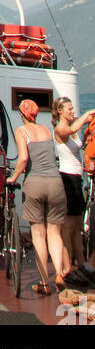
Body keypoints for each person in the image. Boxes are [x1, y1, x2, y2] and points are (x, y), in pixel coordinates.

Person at [8, 98, 67, 294]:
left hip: (35, 183)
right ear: (35, 114)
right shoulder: (46, 130)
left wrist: (13, 177)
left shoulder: (20, 131)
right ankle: (58, 273)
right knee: (55, 234)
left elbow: (24, 158)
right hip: (56, 183)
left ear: (22, 114)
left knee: (39, 235)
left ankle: (44, 282)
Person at [53, 97, 95, 284]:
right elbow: (69, 130)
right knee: (68, 227)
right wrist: (85, 116)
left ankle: (83, 265)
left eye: (72, 108)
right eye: (69, 109)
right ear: (60, 111)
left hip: (77, 179)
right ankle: (67, 267)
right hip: (67, 178)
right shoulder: (60, 129)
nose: (72, 111)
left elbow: (79, 138)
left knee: (77, 226)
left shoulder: (75, 130)